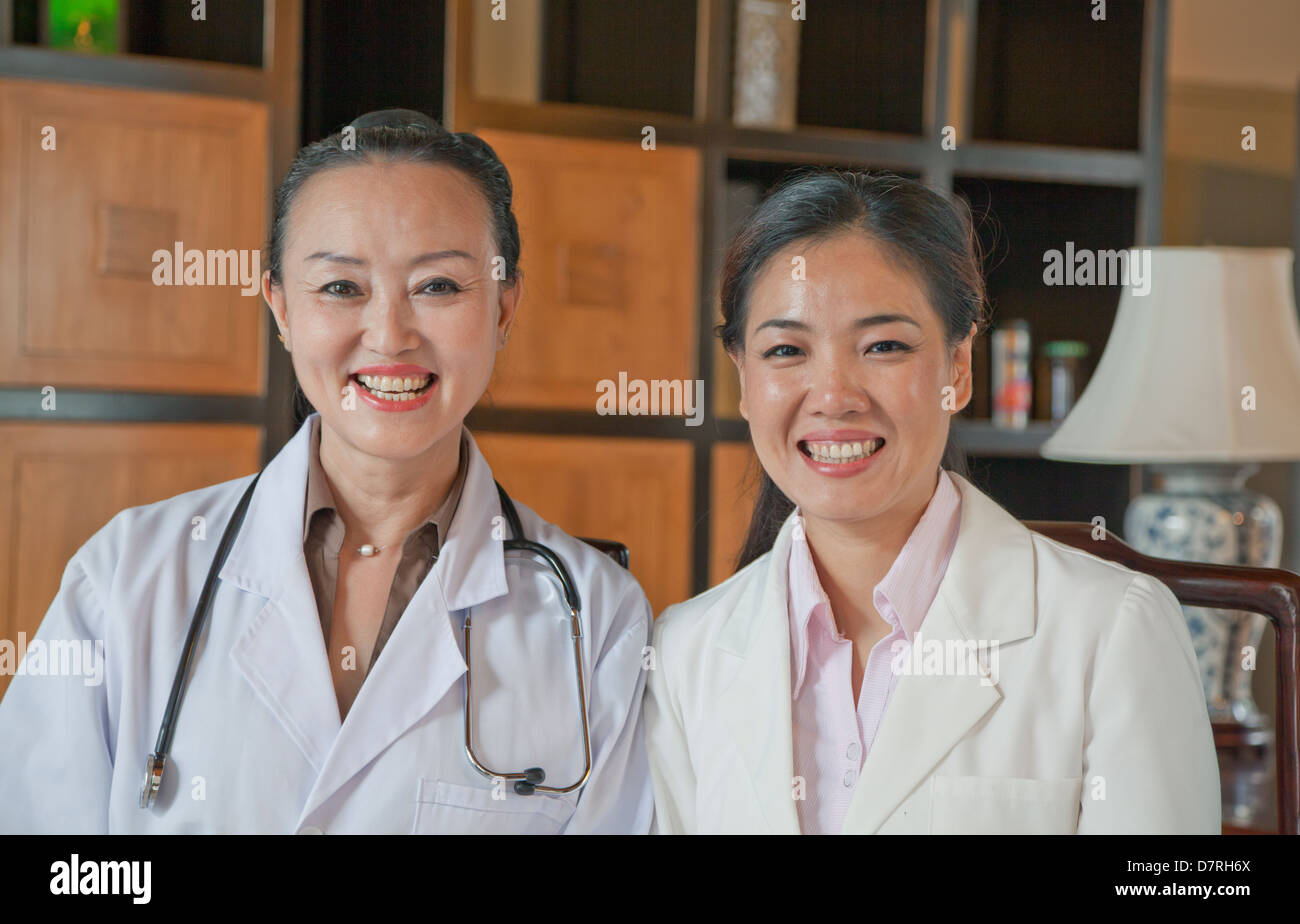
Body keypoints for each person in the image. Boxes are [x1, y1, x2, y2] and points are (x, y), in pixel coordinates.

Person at [0, 109, 654, 834]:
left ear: (503, 309)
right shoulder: (124, 579)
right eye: (342, 288)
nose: (390, 335)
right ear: (280, 307)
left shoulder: (598, 623)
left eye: (438, 286)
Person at [643, 169, 1220, 834]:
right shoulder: (686, 652)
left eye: (883, 345)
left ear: (959, 368)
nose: (833, 395)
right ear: (745, 382)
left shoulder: (1112, 631)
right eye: (786, 350)